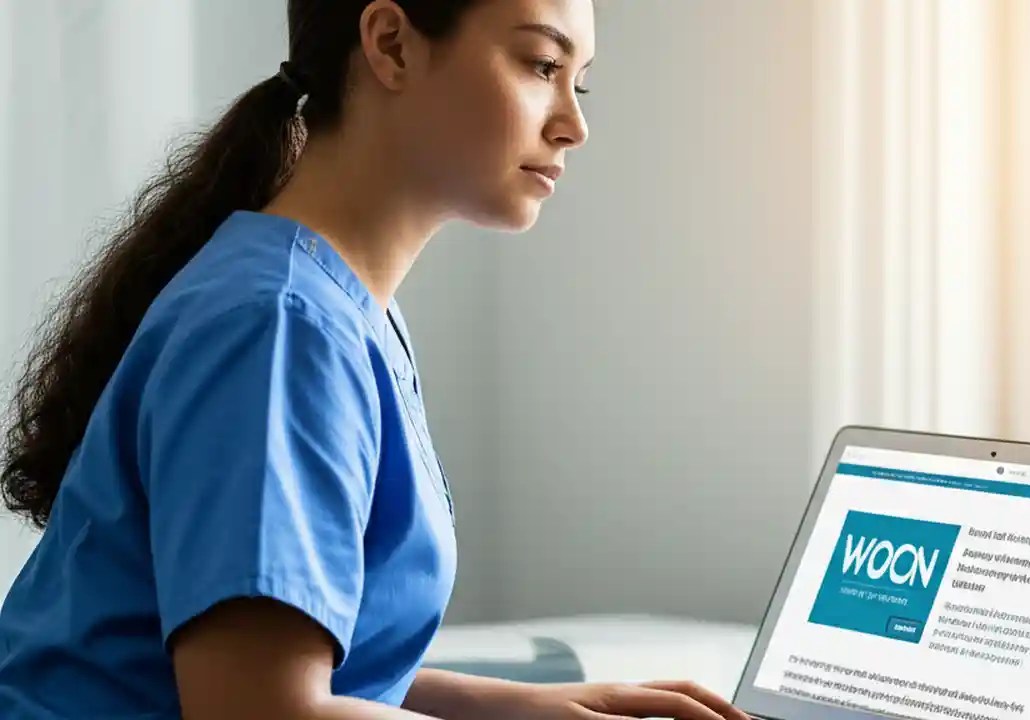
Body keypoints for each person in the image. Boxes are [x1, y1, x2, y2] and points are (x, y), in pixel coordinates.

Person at [0, 1, 750, 718]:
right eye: (542, 65)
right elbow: (255, 711)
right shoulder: (281, 325)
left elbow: (294, 669)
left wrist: (503, 706)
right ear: (390, 43)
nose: (574, 125)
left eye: (577, 79)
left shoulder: (334, 305)